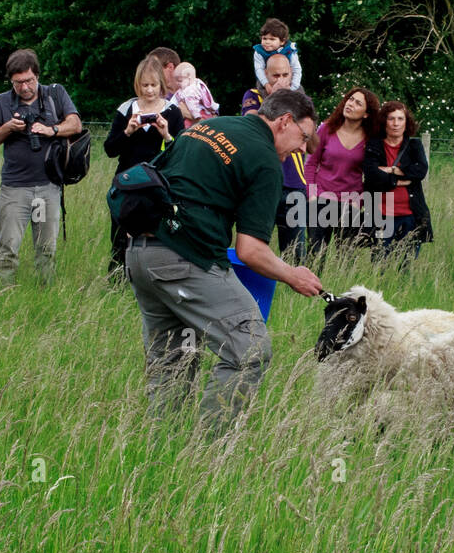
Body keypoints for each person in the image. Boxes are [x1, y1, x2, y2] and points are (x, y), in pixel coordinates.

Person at [125, 88, 323, 434]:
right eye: (304, 138)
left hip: (141, 256)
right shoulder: (264, 159)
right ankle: (209, 449)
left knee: (174, 357)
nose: (303, 150)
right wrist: (294, 275)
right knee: (250, 349)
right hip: (184, 260)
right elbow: (250, 251)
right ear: (284, 121)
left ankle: (162, 450)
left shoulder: (208, 126)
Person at [0, 48, 83, 284]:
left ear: (37, 76)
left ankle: (46, 290)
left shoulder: (55, 94)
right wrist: (9, 127)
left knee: (46, 249)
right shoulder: (2, 101)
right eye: (18, 82)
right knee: (7, 248)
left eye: (29, 80)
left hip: (48, 186)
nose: (24, 87)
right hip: (15, 188)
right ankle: (4, 294)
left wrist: (51, 130)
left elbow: (75, 124)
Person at [103, 55, 185, 276]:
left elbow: (180, 153)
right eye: (144, 85)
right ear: (137, 85)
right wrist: (128, 132)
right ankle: (117, 281)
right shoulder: (126, 109)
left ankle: (153, 279)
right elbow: (110, 149)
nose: (149, 90)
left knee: (156, 236)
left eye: (153, 85)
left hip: (157, 183)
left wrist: (167, 135)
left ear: (161, 85)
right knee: (121, 236)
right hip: (127, 182)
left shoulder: (172, 111)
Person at [242, 55, 306, 258]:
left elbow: (311, 142)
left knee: (296, 252)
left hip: (295, 182)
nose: (281, 80)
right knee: (255, 247)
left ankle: (295, 289)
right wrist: (275, 98)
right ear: (264, 76)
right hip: (263, 181)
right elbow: (251, 125)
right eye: (275, 75)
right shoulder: (252, 95)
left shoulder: (301, 99)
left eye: (285, 75)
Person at [303, 86, 379, 252]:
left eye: (358, 103)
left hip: (350, 202)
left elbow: (373, 175)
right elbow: (310, 164)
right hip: (321, 199)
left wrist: (360, 203)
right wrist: (312, 195)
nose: (350, 104)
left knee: (345, 257)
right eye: (350, 99)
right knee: (316, 254)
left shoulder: (370, 139)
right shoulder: (326, 128)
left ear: (366, 114)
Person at [363, 100, 431, 260]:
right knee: (380, 263)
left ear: (406, 122)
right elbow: (371, 173)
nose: (395, 123)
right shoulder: (374, 145)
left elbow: (420, 170)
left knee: (407, 265)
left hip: (410, 215)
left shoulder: (414, 145)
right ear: (384, 121)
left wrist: (391, 170)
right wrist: (398, 181)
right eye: (391, 118)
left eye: (400, 119)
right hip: (381, 216)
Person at [252, 17, 302, 90]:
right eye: (264, 38)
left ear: (282, 41)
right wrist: (266, 85)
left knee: (299, 95)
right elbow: (259, 69)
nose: (267, 42)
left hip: (289, 83)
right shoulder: (259, 52)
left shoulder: (289, 50)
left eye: (272, 39)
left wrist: (293, 87)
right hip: (266, 82)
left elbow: (296, 69)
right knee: (262, 95)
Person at [173, 62, 218, 126]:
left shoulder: (193, 90)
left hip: (200, 113)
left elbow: (193, 105)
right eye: (176, 81)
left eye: (180, 81)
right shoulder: (180, 91)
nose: (177, 83)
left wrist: (194, 115)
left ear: (189, 79)